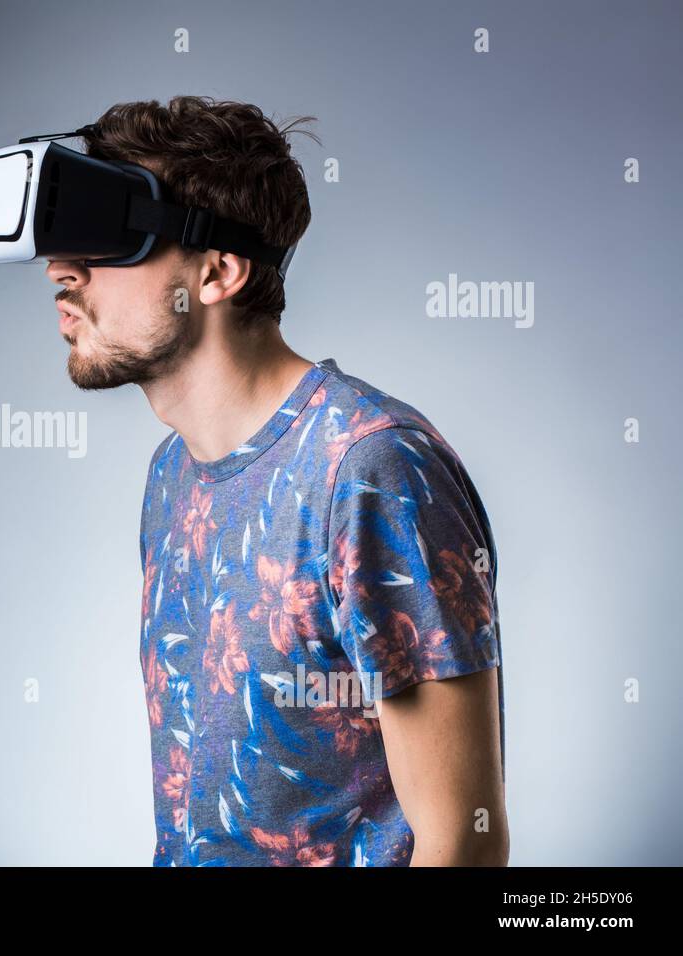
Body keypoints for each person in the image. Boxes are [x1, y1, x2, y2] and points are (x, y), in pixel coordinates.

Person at [48, 96, 507, 866]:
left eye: (109, 239)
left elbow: (462, 839)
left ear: (218, 271)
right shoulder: (171, 475)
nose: (63, 272)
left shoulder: (367, 469)